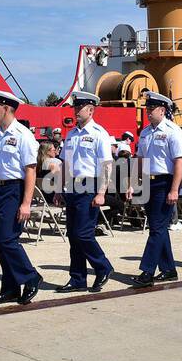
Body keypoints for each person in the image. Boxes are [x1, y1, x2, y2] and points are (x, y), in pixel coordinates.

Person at [0, 89, 42, 305]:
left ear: (6, 108)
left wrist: (26, 203)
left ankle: (31, 277)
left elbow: (31, 170)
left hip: (15, 189)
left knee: (7, 239)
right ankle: (10, 288)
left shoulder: (23, 135)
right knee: (2, 243)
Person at [56, 90, 114, 293]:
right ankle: (77, 278)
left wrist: (101, 192)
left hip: (90, 186)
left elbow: (107, 165)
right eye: (75, 107)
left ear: (91, 110)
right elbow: (65, 163)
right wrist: (58, 188)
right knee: (73, 235)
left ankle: (103, 266)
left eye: (80, 107)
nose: (76, 110)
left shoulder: (99, 134)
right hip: (72, 187)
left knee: (83, 234)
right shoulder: (71, 134)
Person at [130, 91, 182, 289]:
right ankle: (169, 269)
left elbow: (179, 161)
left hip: (165, 182)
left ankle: (147, 271)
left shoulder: (173, 131)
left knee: (156, 229)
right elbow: (140, 159)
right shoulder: (145, 132)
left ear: (162, 110)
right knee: (159, 228)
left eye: (152, 108)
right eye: (147, 108)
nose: (148, 112)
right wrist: (132, 182)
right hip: (149, 182)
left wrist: (174, 189)